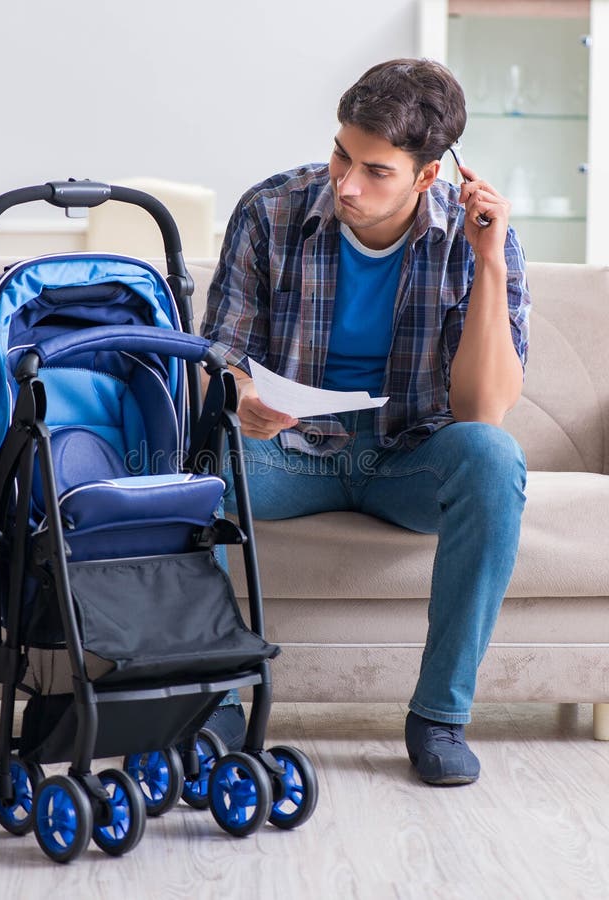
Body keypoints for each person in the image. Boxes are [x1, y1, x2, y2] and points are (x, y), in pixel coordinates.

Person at [201, 58, 530, 785]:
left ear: (427, 177)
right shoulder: (271, 211)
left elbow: (481, 411)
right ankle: (216, 700)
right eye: (341, 155)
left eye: (376, 171)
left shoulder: (474, 237)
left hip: (407, 459)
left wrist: (491, 265)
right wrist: (237, 395)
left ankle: (439, 717)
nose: (346, 184)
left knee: (492, 456)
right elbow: (217, 353)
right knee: (194, 455)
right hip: (285, 452)